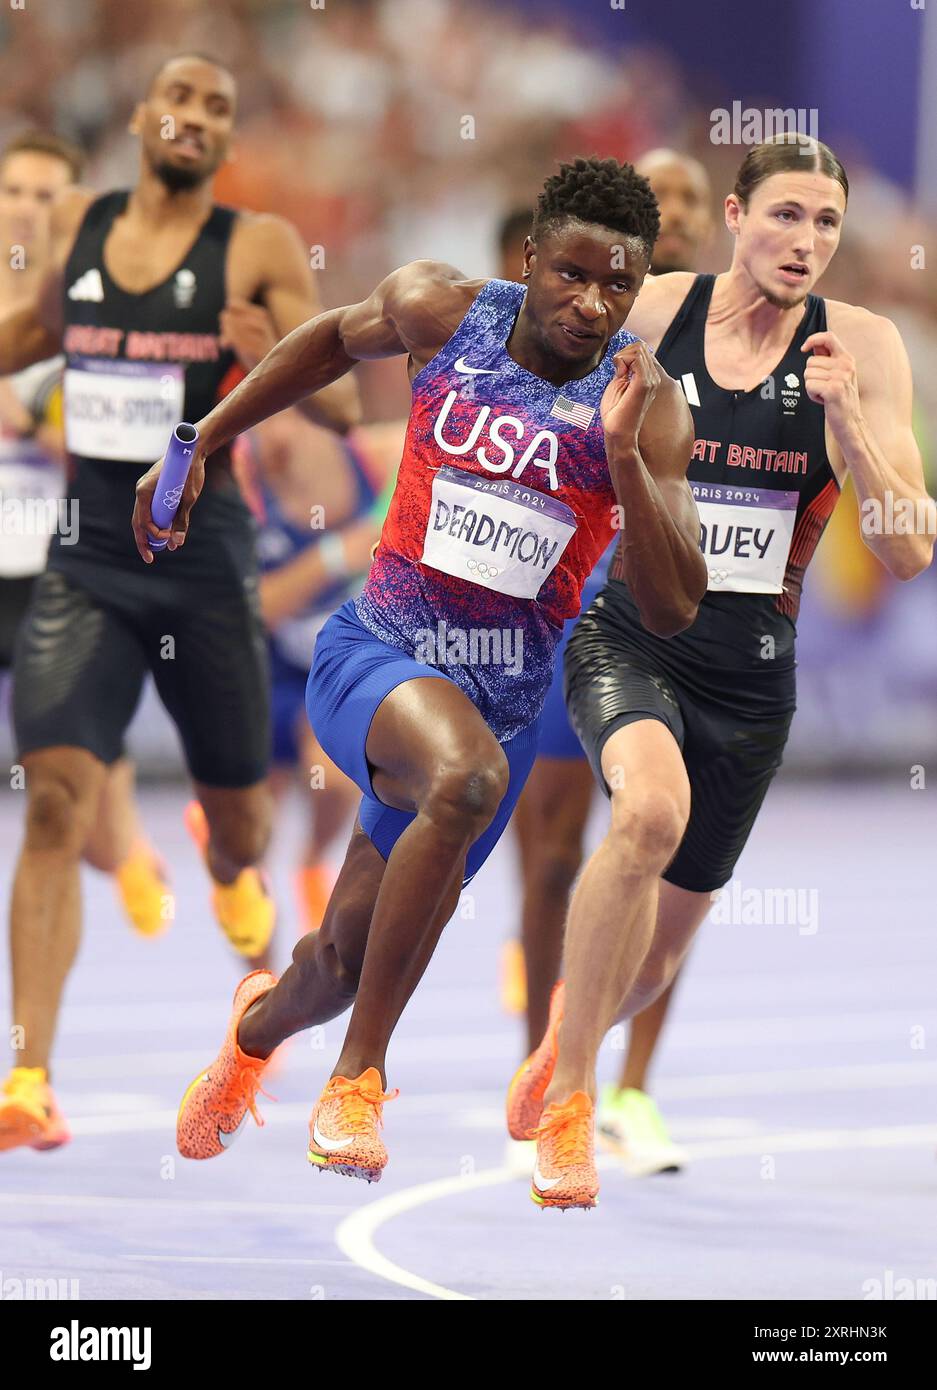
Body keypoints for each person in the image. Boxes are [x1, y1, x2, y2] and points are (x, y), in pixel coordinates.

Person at [134, 155, 708, 1185]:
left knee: (338, 965)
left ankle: (252, 1039)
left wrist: (622, 460)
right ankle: (358, 1082)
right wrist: (202, 443)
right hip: (376, 655)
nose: (591, 302)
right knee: (473, 775)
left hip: (494, 702)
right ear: (529, 258)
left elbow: (674, 604)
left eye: (617, 284)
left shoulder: (647, 405)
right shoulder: (442, 308)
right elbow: (324, 342)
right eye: (571, 273)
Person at [507, 134, 935, 1209]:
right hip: (633, 631)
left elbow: (907, 546)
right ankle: (571, 1102)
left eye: (827, 223)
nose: (806, 241)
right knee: (644, 814)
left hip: (752, 676)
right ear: (735, 219)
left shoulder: (868, 347)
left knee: (651, 964)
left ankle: (573, 1020)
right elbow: (522, 378)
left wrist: (845, 421)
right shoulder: (653, 312)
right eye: (785, 215)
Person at [0, 54, 359, 1154]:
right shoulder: (75, 223)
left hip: (205, 573)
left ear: (227, 137)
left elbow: (341, 399)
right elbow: (31, 334)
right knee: (56, 800)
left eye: (218, 108)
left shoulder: (249, 246)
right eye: (180, 99)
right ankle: (27, 1076)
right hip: (87, 560)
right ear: (143, 115)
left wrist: (271, 359)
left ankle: (231, 871)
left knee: (240, 823)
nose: (195, 118)